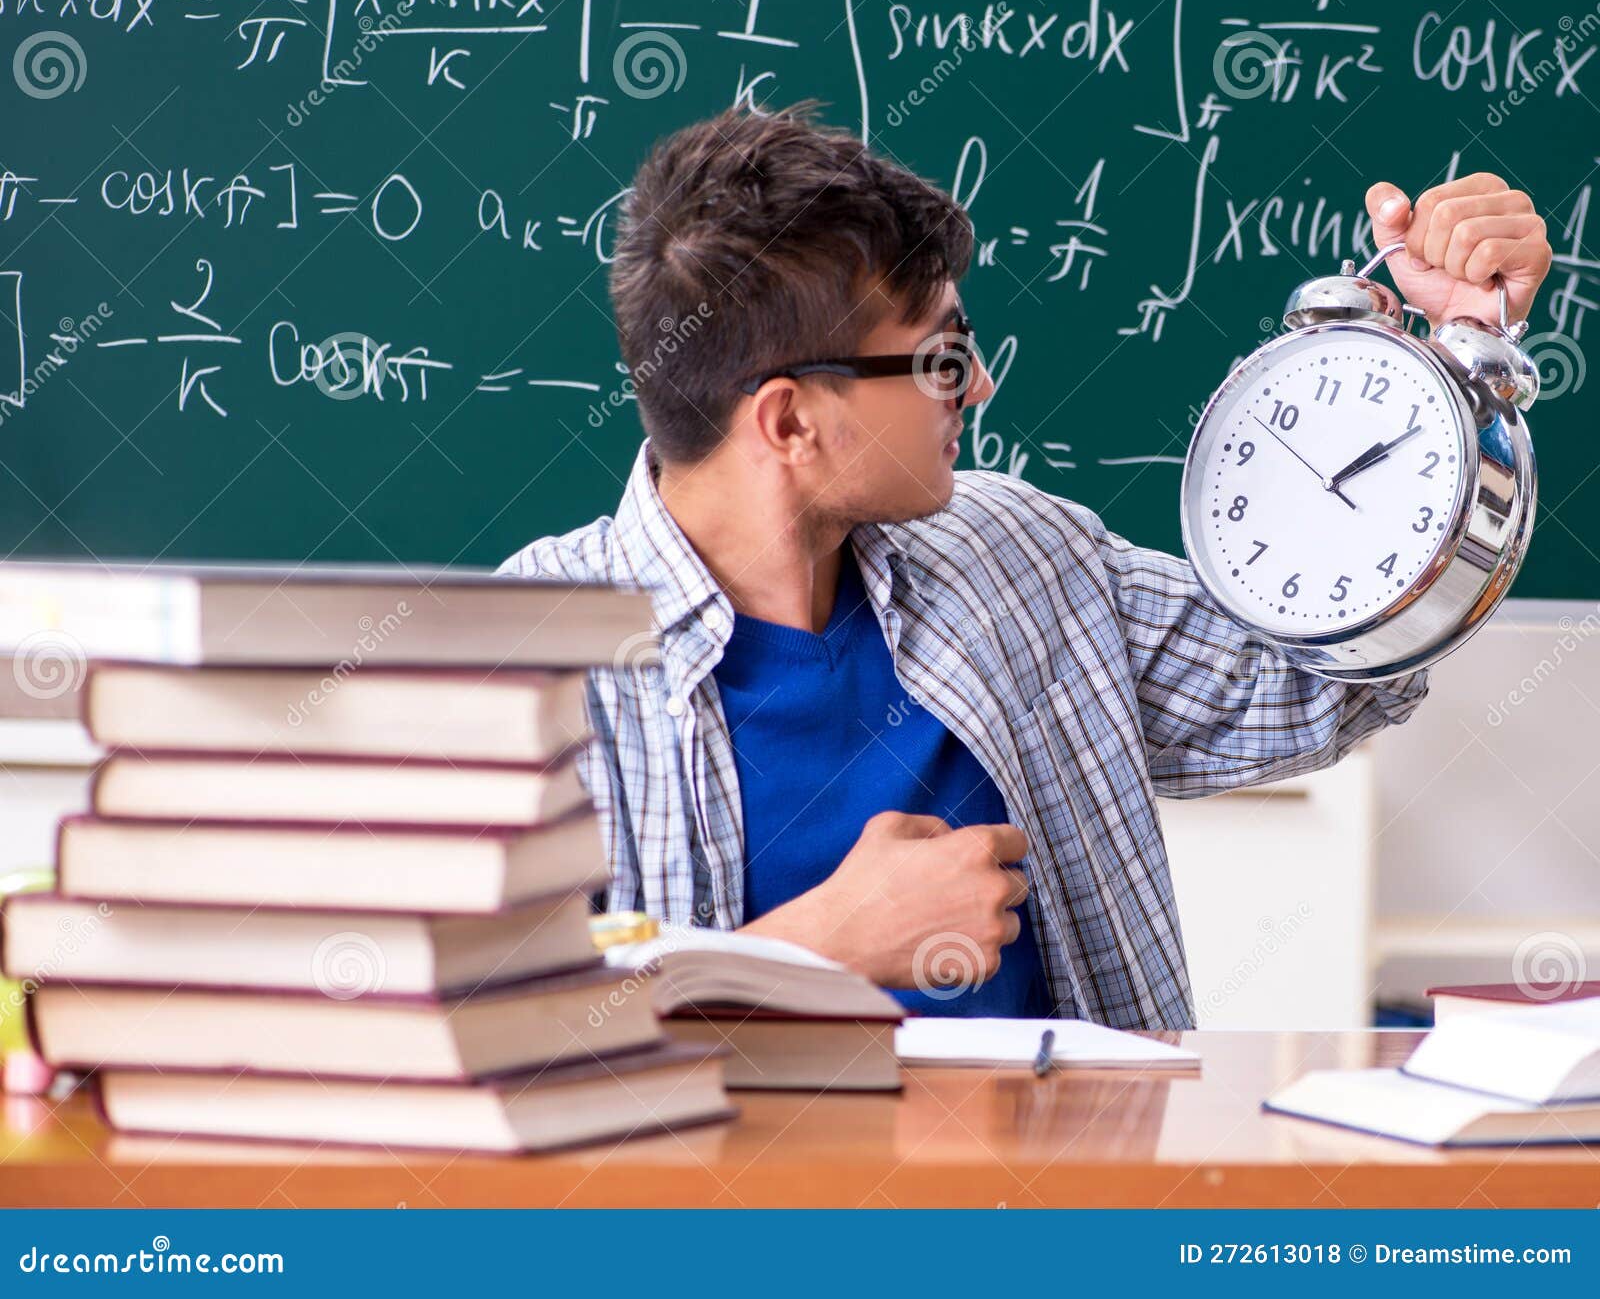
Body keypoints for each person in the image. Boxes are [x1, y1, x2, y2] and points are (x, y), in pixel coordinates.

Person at [499, 102, 1553, 1028]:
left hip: (1070, 1222)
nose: (981, 384)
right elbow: (465, 1051)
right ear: (789, 423)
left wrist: (1451, 369)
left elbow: (1316, 681)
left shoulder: (1016, 557)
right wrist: (815, 949)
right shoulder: (523, 670)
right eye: (941, 357)